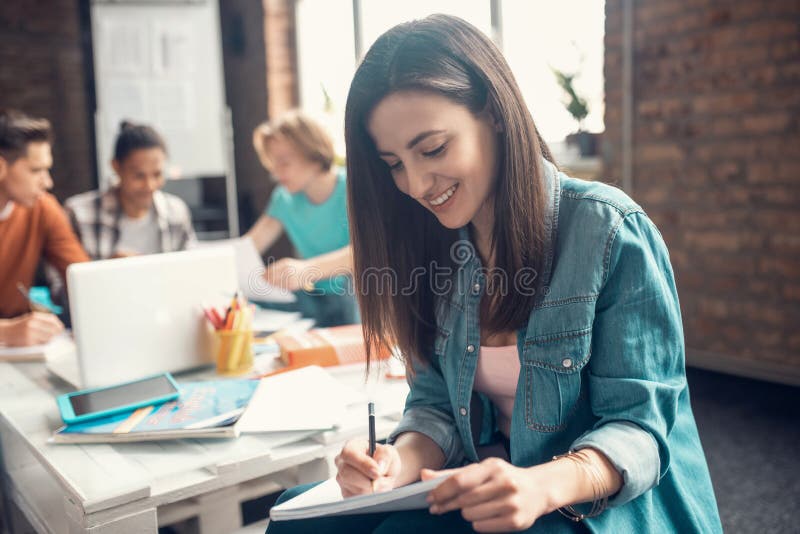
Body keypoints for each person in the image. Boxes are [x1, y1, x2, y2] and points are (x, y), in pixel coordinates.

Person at [267, 14, 721, 533]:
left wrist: (538, 485)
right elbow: (434, 405)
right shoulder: (427, 241)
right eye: (393, 163)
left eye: (433, 149)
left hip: (594, 499)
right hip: (491, 475)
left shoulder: (608, 229)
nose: (414, 184)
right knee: (296, 519)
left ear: (495, 112)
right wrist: (396, 464)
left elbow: (639, 430)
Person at [245, 110, 357, 327]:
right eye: (272, 164)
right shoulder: (284, 198)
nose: (276, 173)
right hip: (312, 296)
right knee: (249, 300)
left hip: (355, 294)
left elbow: (370, 253)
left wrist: (305, 270)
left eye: (284, 163)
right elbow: (249, 246)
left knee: (351, 289)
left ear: (315, 157)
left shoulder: (352, 189)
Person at [0, 109, 89, 347]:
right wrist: (5, 333)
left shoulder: (42, 207)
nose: (47, 182)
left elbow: (82, 277)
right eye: (35, 170)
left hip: (21, 353)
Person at [65, 121, 196, 260]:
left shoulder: (176, 212)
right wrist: (107, 269)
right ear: (116, 167)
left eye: (157, 174)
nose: (149, 185)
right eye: (139, 176)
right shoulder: (78, 214)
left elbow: (190, 270)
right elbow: (64, 278)